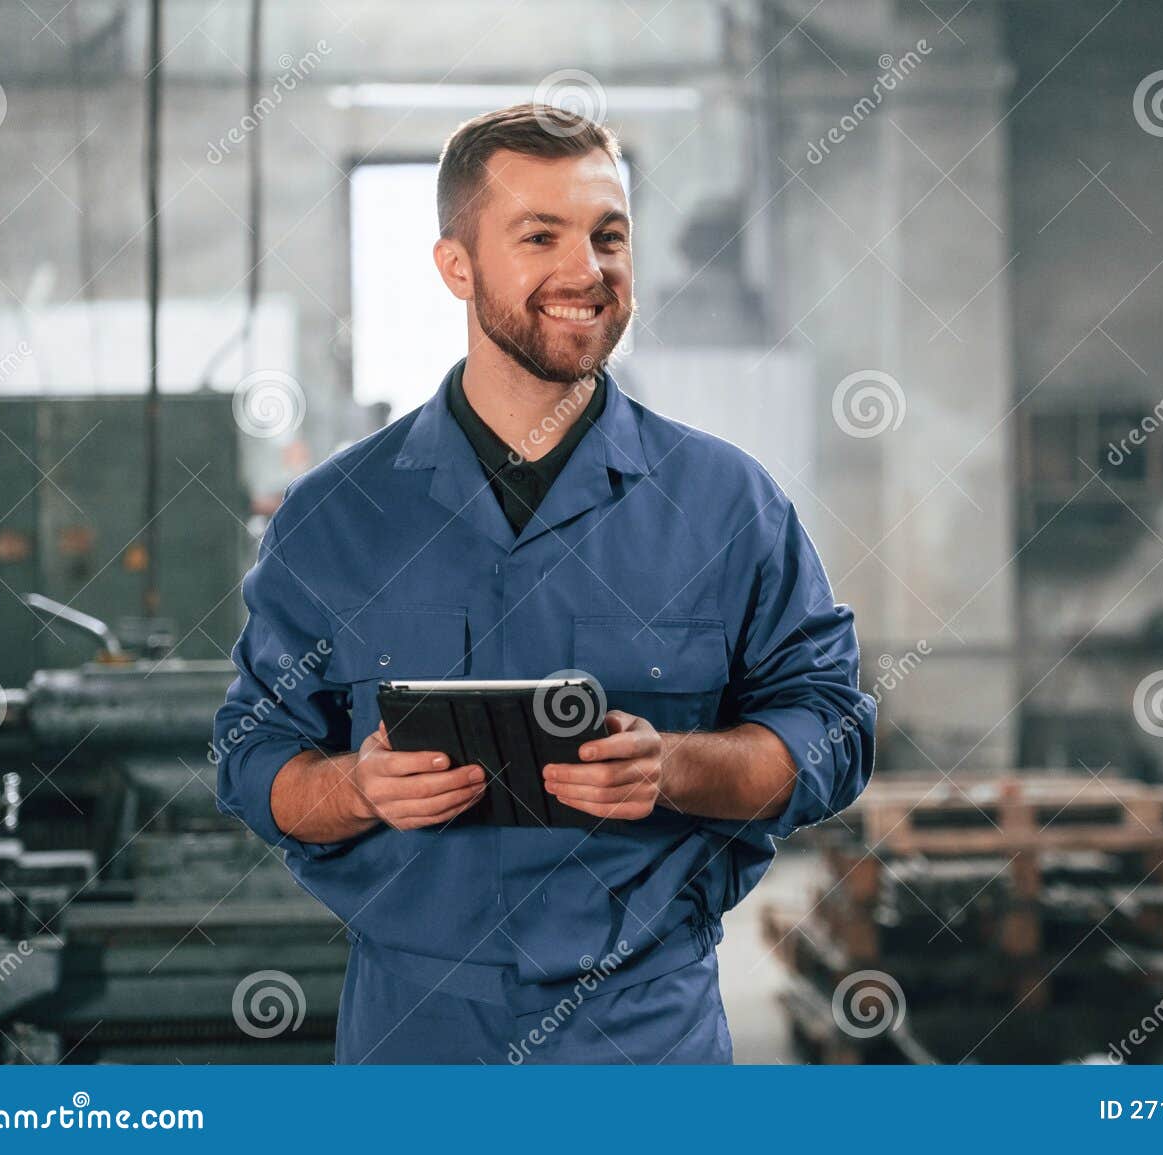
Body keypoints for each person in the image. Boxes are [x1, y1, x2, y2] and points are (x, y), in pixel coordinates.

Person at [213, 103, 874, 1063]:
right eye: (541, 236)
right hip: (417, 1032)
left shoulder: (725, 502)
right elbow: (252, 756)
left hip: (645, 1034)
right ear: (456, 266)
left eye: (610, 236)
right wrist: (359, 785)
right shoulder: (336, 515)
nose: (587, 271)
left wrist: (676, 767)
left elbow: (833, 729)